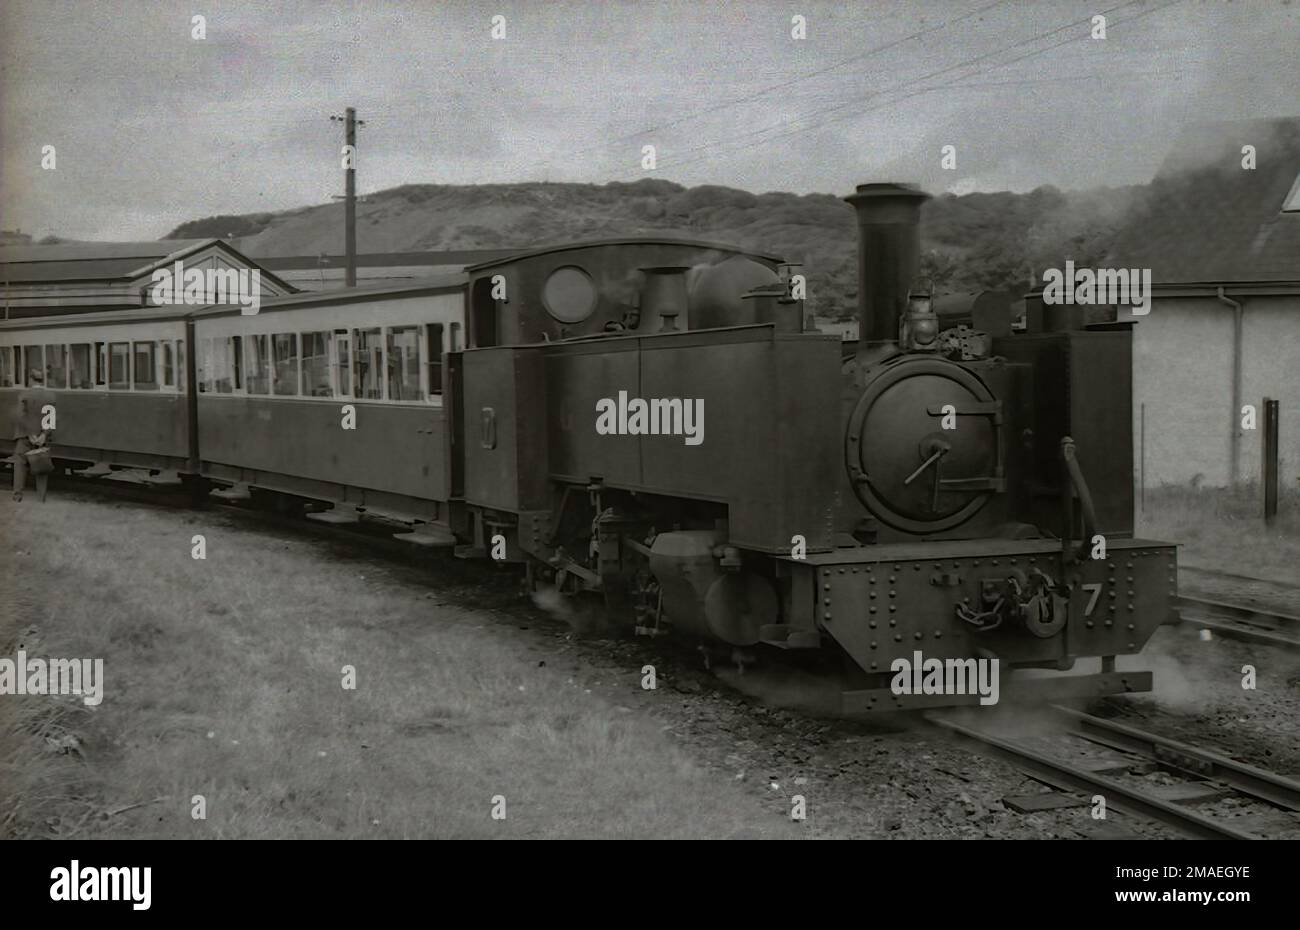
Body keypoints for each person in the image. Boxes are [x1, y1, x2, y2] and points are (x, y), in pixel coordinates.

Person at [12, 369, 56, 502]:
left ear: (31, 379)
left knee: (20, 463)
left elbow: (20, 416)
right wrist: (43, 434)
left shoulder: (24, 395)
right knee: (41, 464)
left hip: (26, 436)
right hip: (42, 438)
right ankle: (41, 497)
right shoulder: (50, 396)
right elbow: (51, 419)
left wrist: (30, 433)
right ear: (43, 380)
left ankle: (18, 495)